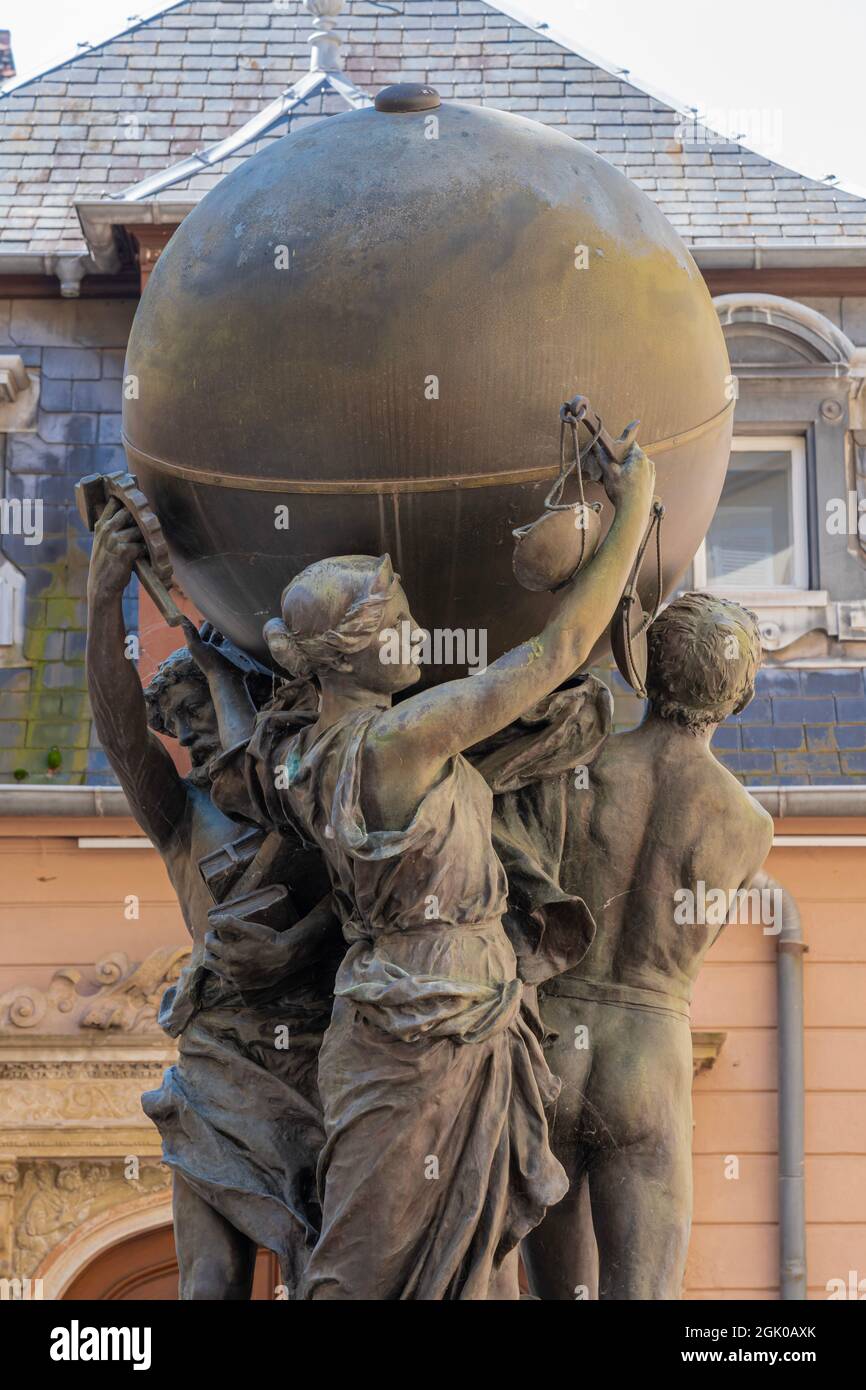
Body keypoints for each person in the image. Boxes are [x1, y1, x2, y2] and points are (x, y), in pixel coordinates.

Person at [185, 431, 655, 1300]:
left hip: (418, 1007)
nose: (413, 632)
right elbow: (557, 651)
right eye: (390, 621)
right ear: (346, 650)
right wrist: (632, 508)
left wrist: (216, 666)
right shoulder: (402, 739)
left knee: (444, 1257)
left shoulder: (300, 759)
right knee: (374, 1263)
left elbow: (245, 761)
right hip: (428, 1015)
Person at [86, 499, 341, 1299]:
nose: (190, 735)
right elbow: (121, 733)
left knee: (331, 1269)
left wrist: (298, 947)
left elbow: (369, 907)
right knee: (206, 1284)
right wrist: (103, 598)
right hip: (217, 1061)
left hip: (320, 1057)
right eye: (178, 723)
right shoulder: (179, 818)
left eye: (202, 710)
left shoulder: (309, 801)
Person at [490, 593, 774, 1299]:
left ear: (645, 666)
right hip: (649, 1058)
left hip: (553, 1045)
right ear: (738, 694)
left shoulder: (576, 771)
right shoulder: (748, 823)